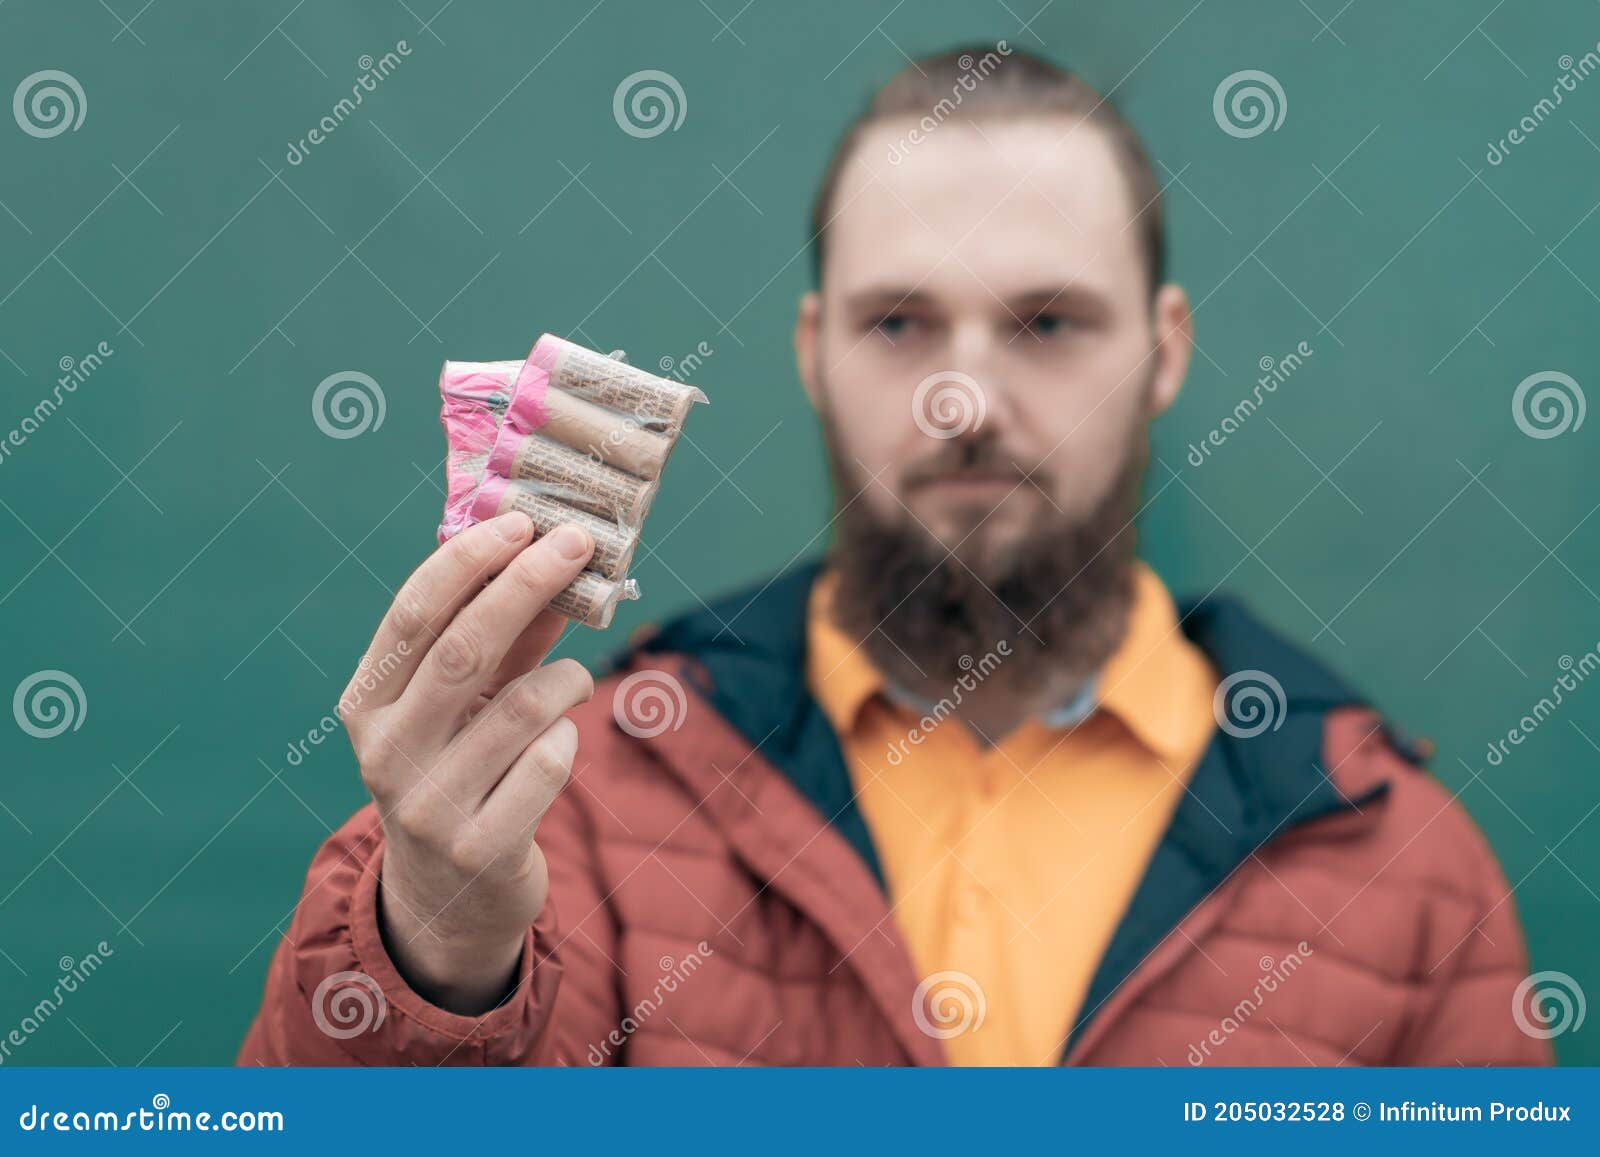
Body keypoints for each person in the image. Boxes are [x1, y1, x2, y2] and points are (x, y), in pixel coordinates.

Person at [239, 46, 1548, 1067]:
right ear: (814, 348)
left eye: (1046, 322)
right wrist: (437, 945)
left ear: (1167, 349)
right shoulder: (586, 803)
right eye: (901, 322)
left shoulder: (1397, 869)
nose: (963, 400)